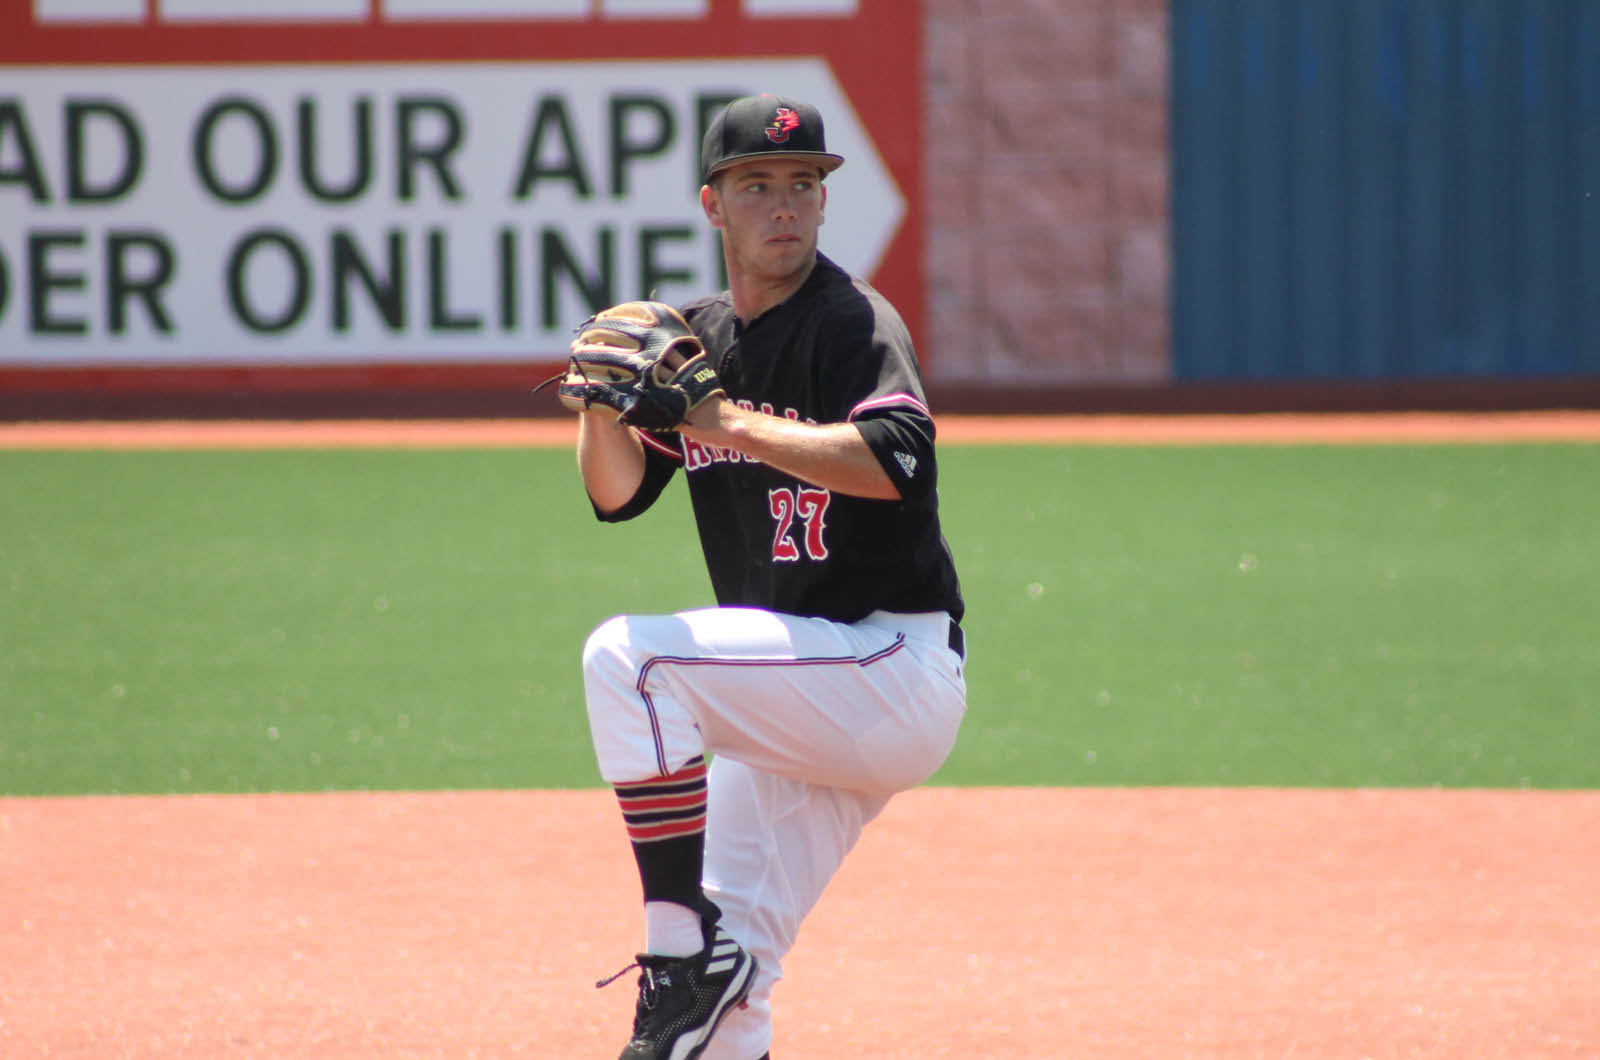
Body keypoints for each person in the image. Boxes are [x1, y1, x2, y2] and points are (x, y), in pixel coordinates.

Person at [567, 94, 967, 1060]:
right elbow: (617, 499)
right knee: (724, 1002)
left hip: (888, 664)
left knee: (633, 662)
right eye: (758, 186)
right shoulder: (698, 339)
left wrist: (728, 426)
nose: (784, 205)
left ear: (825, 204)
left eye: (803, 185)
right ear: (714, 205)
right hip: (801, 693)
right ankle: (701, 981)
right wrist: (595, 407)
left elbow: (898, 458)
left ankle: (672, 954)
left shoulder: (852, 320)